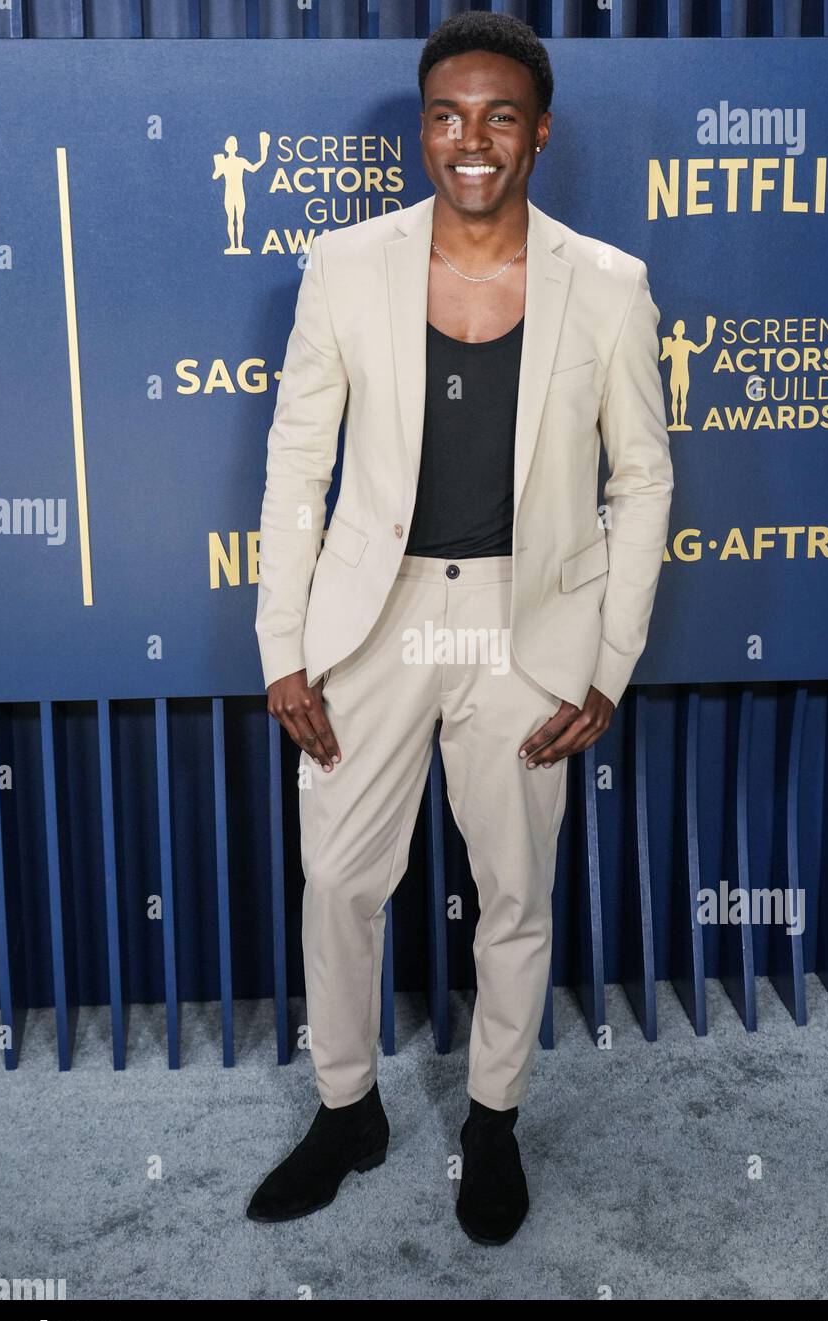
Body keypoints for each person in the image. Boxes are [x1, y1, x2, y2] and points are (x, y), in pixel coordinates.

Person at [246, 11, 673, 1245]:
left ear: (539, 131)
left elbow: (641, 479)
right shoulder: (344, 266)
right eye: (446, 115)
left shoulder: (608, 283)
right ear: (422, 129)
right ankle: (347, 1109)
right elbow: (294, 470)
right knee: (338, 877)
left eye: (498, 116)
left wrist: (607, 662)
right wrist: (284, 648)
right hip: (373, 623)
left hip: (526, 624)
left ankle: (492, 1118)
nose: (469, 140)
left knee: (515, 891)